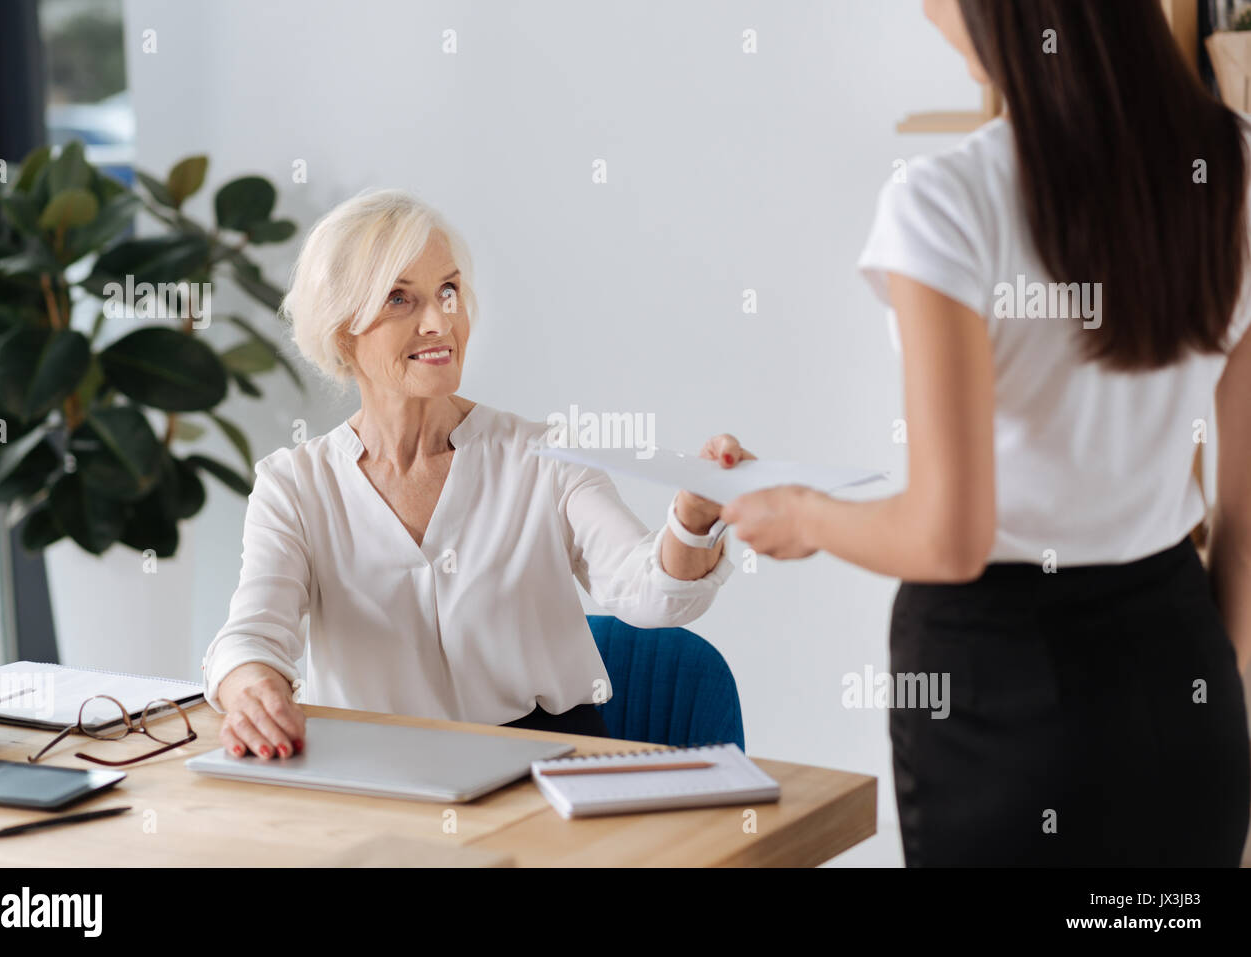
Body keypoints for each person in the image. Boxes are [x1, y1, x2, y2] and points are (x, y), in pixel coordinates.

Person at [723, 0, 1251, 866]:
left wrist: (803, 515)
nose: (928, 10)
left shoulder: (948, 201)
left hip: (1003, 694)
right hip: (1179, 679)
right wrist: (1203, 683)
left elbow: (947, 534)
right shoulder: (1233, 167)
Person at [202, 188, 750, 759]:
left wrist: (693, 518)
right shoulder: (295, 485)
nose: (440, 320)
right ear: (343, 332)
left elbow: (650, 596)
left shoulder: (544, 454)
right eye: (399, 299)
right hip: (376, 773)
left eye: (448, 291)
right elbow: (248, 638)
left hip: (546, 768)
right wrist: (253, 689)